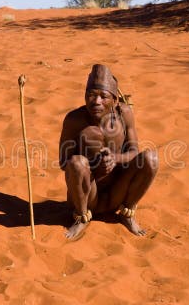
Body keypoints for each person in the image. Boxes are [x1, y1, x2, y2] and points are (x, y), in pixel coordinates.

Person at [59, 64, 158, 241]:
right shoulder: (74, 120)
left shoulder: (124, 114)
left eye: (103, 96)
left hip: (116, 193)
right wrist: (90, 165)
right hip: (88, 195)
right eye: (91, 95)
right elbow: (63, 161)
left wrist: (115, 159)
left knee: (150, 159)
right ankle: (82, 217)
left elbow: (134, 151)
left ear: (115, 100)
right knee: (76, 162)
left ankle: (127, 213)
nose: (96, 101)